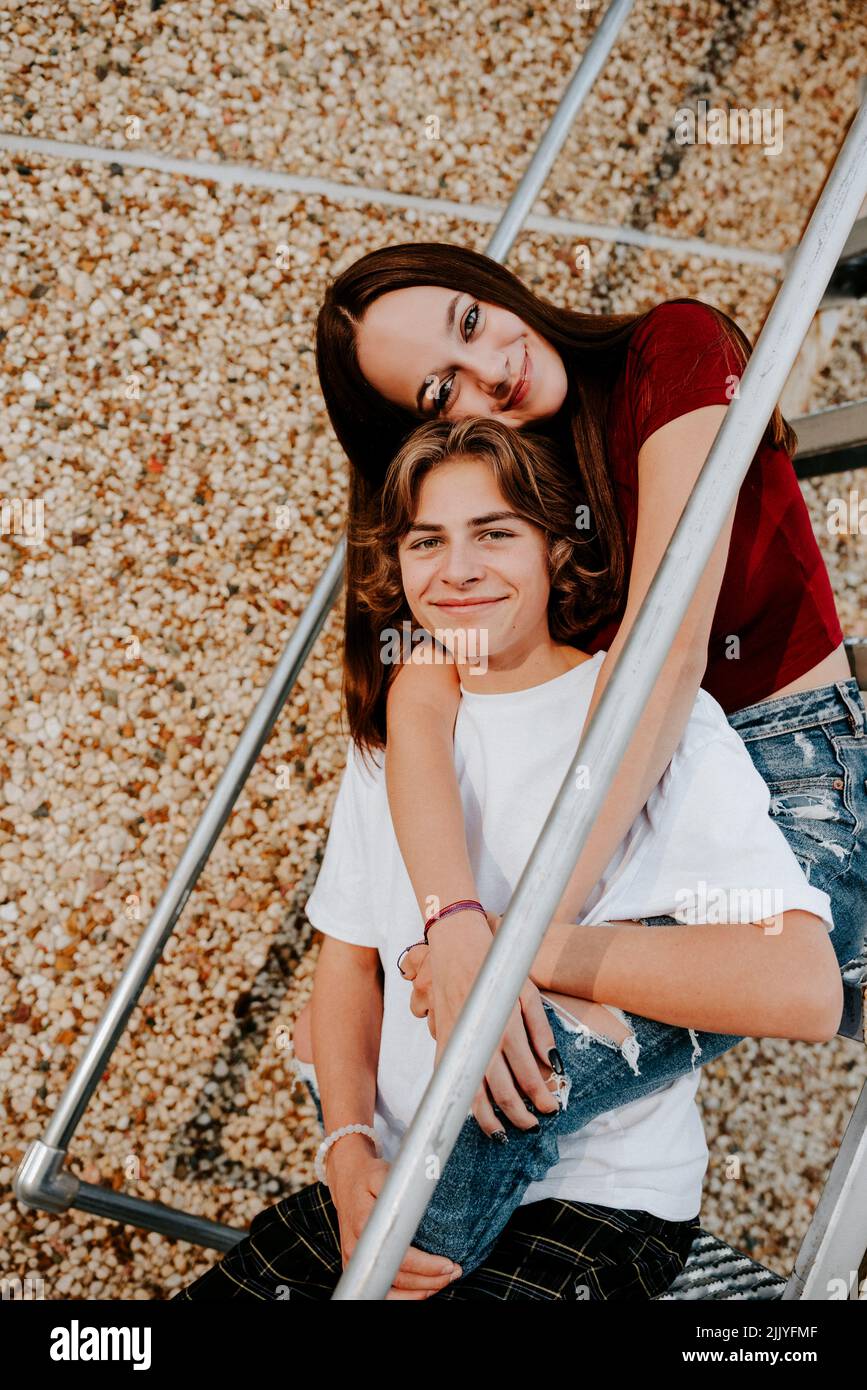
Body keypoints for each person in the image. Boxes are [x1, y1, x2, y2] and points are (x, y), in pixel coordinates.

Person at [171, 418, 842, 1302]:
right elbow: (347, 972)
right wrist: (345, 1150)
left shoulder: (654, 727)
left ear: (561, 546)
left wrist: (496, 947)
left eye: (494, 533)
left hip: (588, 1207)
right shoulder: (391, 744)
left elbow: (800, 988)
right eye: (426, 542)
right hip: (390, 1177)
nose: (457, 569)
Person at [313, 241, 867, 1145]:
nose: (489, 373)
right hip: (635, 808)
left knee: (484, 1102)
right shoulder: (503, 488)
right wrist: (454, 925)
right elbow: (421, 688)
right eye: (437, 391)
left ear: (492, 290)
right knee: (415, 1074)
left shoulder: (674, 350)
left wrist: (513, 940)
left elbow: (667, 654)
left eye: (469, 323)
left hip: (788, 768)